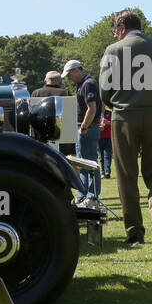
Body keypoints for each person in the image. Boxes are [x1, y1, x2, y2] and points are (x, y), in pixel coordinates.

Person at [99, 10, 152, 246]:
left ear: (122, 28)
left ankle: (134, 231)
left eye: (115, 31)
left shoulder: (113, 50)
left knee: (126, 175)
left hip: (124, 116)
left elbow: (104, 91)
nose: (115, 35)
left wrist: (118, 104)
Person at [64, 59, 102, 201]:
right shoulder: (84, 84)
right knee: (83, 163)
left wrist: (84, 127)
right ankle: (83, 195)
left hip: (87, 129)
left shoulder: (88, 84)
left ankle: (90, 196)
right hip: (86, 127)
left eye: (69, 74)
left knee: (89, 163)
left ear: (76, 70)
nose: (68, 78)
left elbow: (92, 108)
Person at [32, 70, 73, 154]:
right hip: (63, 137)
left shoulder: (36, 93)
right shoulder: (65, 93)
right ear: (60, 81)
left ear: (45, 80)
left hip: (41, 137)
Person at [98, 109, 113, 178]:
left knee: (107, 155)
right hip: (98, 137)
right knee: (101, 156)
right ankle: (103, 172)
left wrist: (108, 122)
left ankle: (107, 172)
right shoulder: (95, 112)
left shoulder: (110, 113)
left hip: (108, 137)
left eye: (103, 102)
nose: (102, 104)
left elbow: (114, 123)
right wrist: (98, 127)